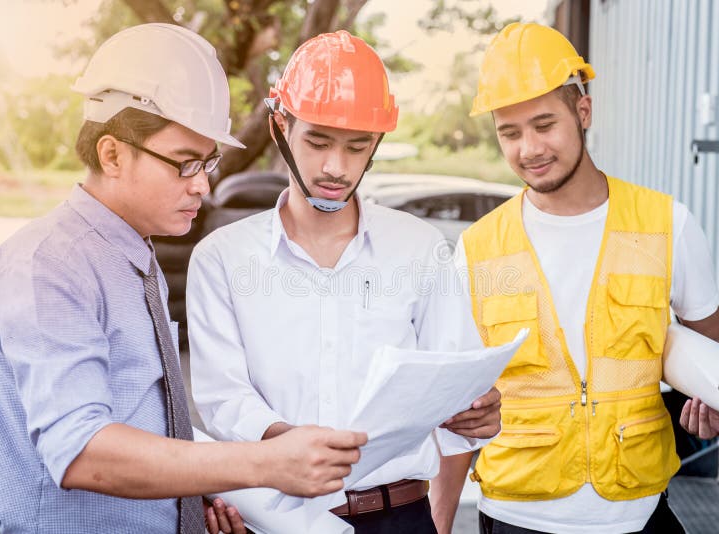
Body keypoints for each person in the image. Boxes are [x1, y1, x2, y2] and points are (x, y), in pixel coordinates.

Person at [0, 23, 366, 534]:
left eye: (207, 163)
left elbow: (141, 420)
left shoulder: (132, 256)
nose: (203, 186)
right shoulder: (49, 264)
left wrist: (190, 494)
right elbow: (83, 453)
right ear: (112, 154)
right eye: (185, 165)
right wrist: (266, 462)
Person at [186, 30, 501, 534]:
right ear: (278, 126)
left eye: (357, 147)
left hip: (402, 518)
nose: (336, 167)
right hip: (275, 518)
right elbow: (223, 399)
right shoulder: (221, 259)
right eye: (317, 141)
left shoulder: (419, 250)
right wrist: (295, 448)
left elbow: (455, 392)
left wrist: (477, 413)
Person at [454, 22, 719, 534]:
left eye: (544, 125)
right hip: (515, 513)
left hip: (635, 512)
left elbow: (715, 344)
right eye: (510, 132)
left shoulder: (666, 223)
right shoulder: (477, 247)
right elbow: (456, 404)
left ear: (583, 112)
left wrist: (714, 399)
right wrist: (438, 519)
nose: (529, 149)